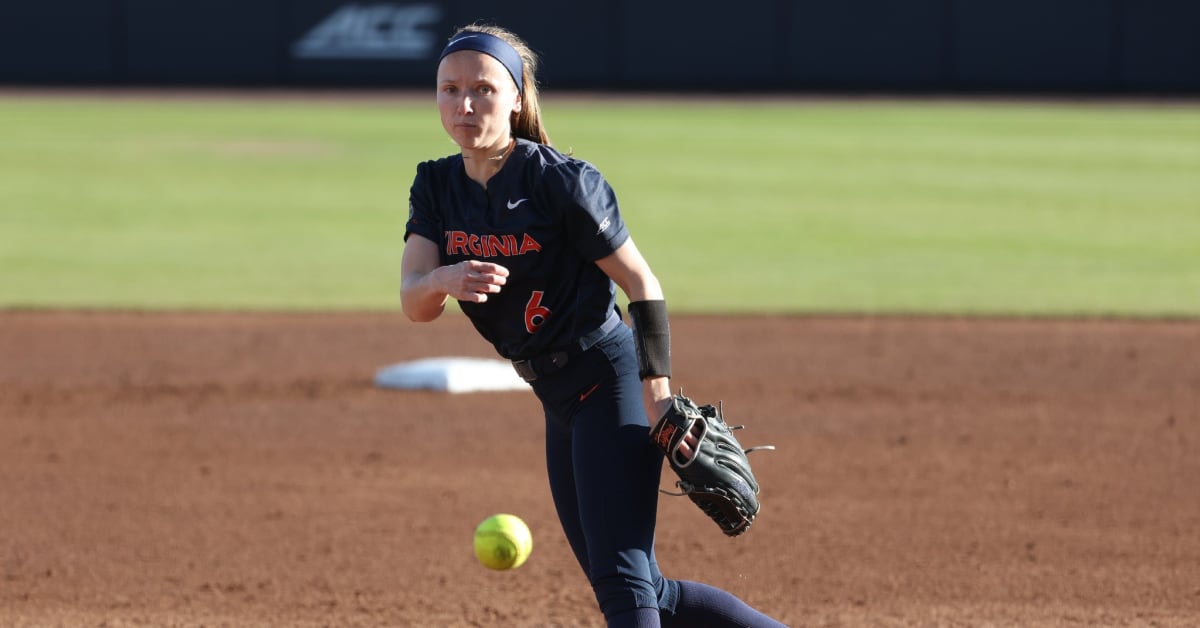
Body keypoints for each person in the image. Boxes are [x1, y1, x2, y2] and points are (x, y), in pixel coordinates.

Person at [400, 23, 787, 628]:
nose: (464, 104)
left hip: (609, 381)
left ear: (516, 98)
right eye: (450, 89)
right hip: (557, 399)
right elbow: (414, 301)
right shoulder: (436, 184)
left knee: (622, 584)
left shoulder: (561, 181)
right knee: (648, 590)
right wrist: (443, 280)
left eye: (483, 89)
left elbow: (642, 283)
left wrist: (657, 398)